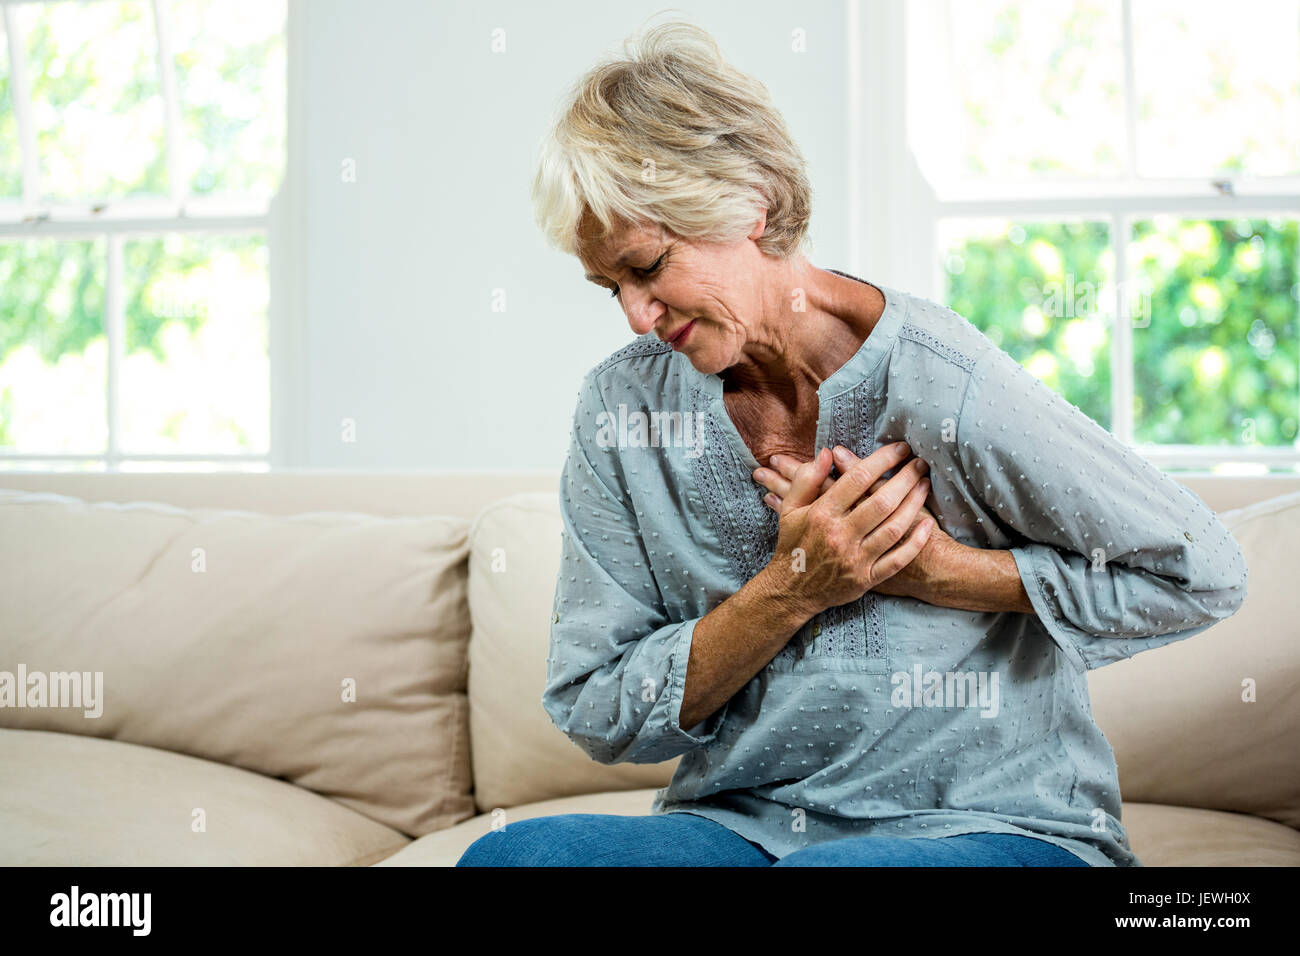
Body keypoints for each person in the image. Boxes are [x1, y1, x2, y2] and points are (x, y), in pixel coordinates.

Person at [457, 18, 1247, 867]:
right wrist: (792, 588)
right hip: (738, 827)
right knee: (512, 862)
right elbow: (598, 709)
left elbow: (1199, 571)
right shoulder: (624, 409)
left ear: (747, 203)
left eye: (648, 267)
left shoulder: (942, 379)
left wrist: (942, 572)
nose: (636, 317)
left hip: (988, 823)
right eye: (607, 286)